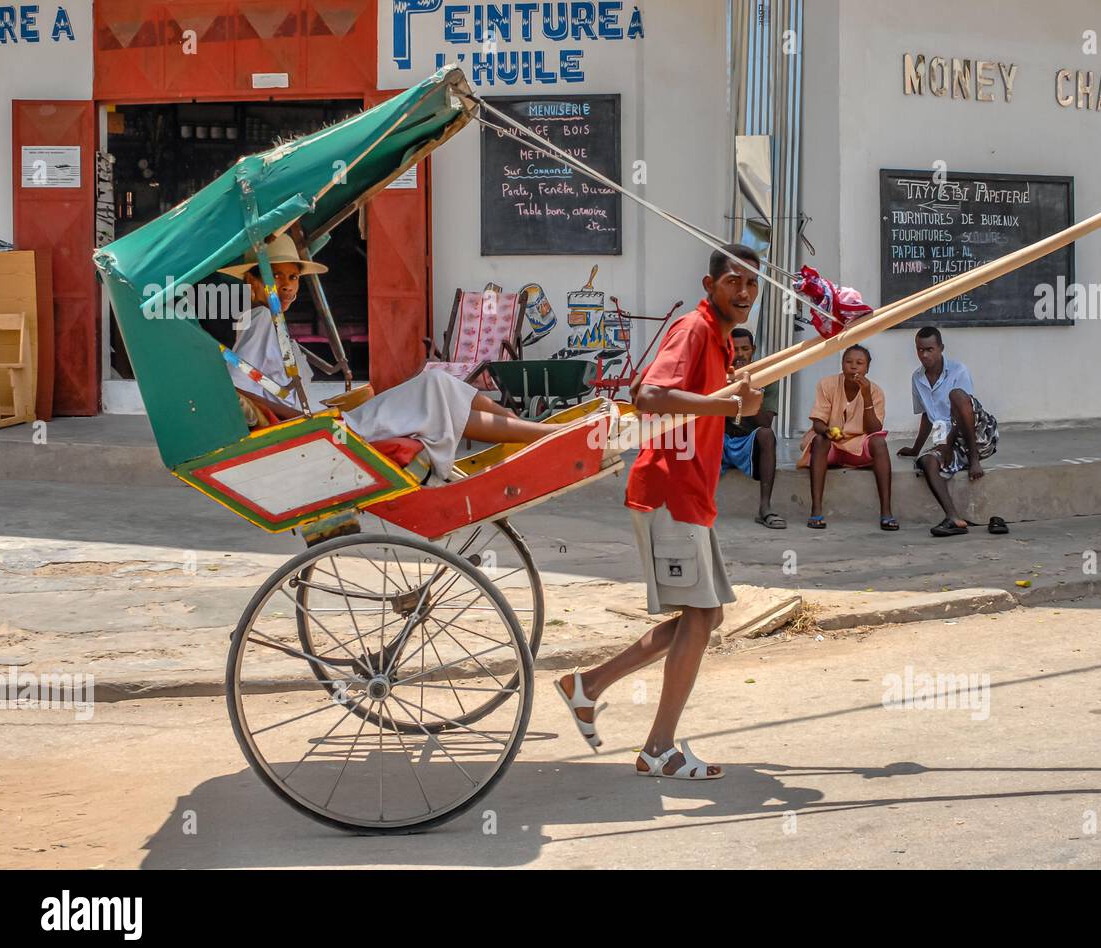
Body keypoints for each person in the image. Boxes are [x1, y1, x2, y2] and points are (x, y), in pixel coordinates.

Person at [555, 243, 765, 781]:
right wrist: (726, 404)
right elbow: (647, 394)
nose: (744, 292)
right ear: (709, 285)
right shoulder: (694, 329)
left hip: (691, 493)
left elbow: (698, 399)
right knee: (700, 617)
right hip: (671, 490)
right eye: (733, 282)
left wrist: (739, 395)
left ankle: (589, 685)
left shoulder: (721, 340)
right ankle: (658, 749)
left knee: (708, 616)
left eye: (752, 283)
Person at [220, 234, 560, 479]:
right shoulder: (261, 321)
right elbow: (238, 387)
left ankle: (533, 429)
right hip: (330, 430)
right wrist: (302, 418)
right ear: (252, 281)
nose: (287, 286)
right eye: (275, 276)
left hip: (330, 422)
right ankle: (544, 435)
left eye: (293, 277)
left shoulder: (267, 321)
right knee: (434, 391)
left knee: (437, 383)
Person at [896, 326, 999, 537]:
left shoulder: (958, 370)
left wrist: (953, 447)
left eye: (930, 349)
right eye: (920, 350)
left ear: (941, 348)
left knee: (956, 395)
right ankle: (953, 517)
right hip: (945, 434)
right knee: (927, 461)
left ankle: (973, 459)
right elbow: (927, 415)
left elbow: (964, 410)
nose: (924, 355)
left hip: (976, 432)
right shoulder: (917, 378)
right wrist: (916, 449)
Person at [797, 344, 897, 531]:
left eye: (860, 363)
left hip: (858, 447)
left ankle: (886, 512)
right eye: (848, 362)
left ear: (867, 368)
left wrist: (866, 396)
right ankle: (816, 510)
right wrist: (828, 431)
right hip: (832, 447)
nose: (853, 366)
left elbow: (875, 429)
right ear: (842, 364)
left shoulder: (875, 392)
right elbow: (818, 423)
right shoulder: (827, 384)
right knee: (819, 439)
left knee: (879, 442)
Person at [721, 327, 785, 529]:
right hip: (720, 441)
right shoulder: (717, 374)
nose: (740, 354)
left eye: (745, 349)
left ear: (753, 350)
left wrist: (748, 394)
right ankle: (692, 504)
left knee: (767, 435)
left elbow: (766, 423)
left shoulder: (767, 377)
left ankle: (765, 507)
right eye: (735, 349)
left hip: (747, 443)